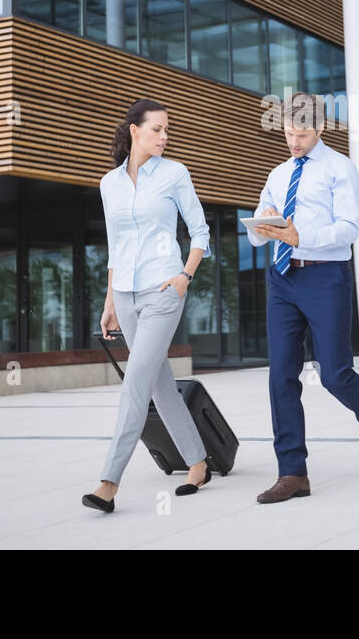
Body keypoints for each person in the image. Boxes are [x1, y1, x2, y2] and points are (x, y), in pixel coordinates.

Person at [247, 92, 359, 503]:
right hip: (282, 278)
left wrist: (301, 237)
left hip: (325, 276)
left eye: (303, 134)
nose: (294, 142)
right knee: (280, 376)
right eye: (289, 133)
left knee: (334, 374)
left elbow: (349, 228)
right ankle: (293, 473)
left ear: (321, 128)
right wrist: (263, 228)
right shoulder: (278, 174)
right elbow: (257, 234)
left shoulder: (341, 169)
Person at [83, 98, 213, 513]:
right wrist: (110, 302)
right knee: (159, 384)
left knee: (136, 381)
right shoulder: (109, 183)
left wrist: (184, 277)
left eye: (167, 129)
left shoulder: (175, 173)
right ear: (134, 131)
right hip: (125, 293)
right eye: (157, 129)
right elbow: (115, 246)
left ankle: (108, 483)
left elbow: (200, 231)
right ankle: (198, 463)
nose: (164, 136)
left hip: (163, 290)